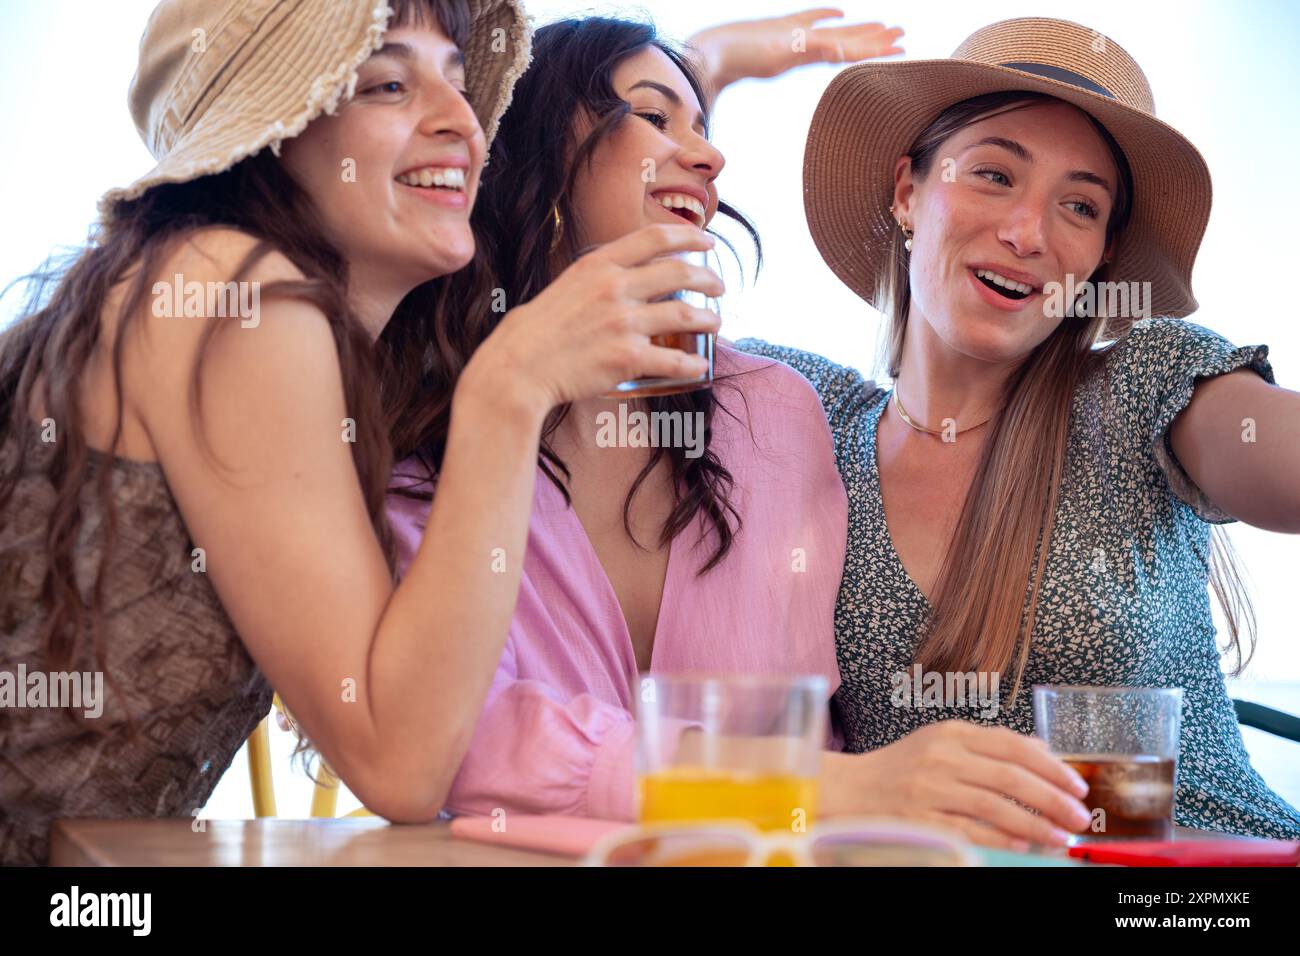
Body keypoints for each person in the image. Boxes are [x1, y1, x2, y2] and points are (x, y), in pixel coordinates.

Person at [0, 0, 723, 865]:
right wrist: (510, 383)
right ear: (272, 128)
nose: (460, 121)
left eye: (459, 80)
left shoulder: (217, 293)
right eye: (387, 82)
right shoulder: (243, 296)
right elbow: (402, 760)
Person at [387, 14, 1096, 852]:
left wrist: (810, 786)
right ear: (535, 153)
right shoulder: (419, 439)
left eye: (702, 126)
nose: (710, 156)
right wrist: (822, 785)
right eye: (655, 118)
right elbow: (455, 741)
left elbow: (794, 739)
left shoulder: (770, 414)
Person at [737, 16, 1300, 838]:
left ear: (1102, 256)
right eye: (995, 175)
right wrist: (707, 69)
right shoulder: (806, 416)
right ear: (907, 191)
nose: (1027, 234)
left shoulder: (1141, 391)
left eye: (1079, 205)